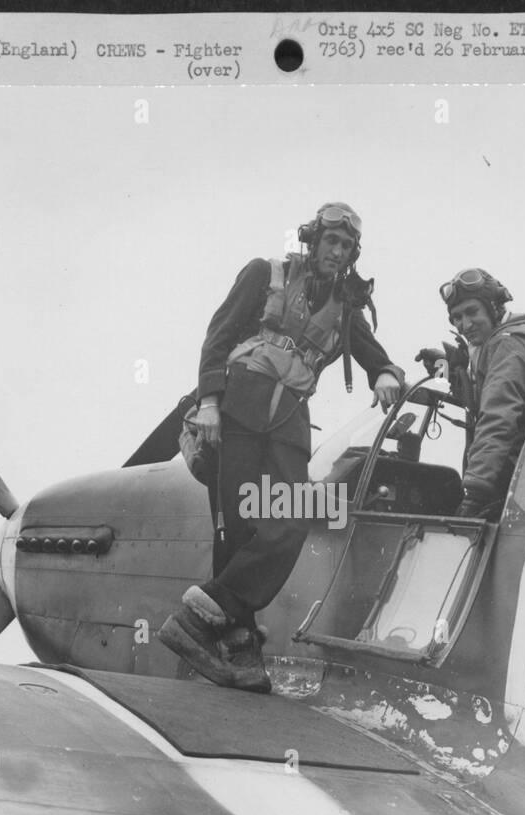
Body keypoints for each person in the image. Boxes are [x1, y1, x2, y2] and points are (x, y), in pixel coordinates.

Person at [160, 203, 405, 690]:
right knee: (235, 528)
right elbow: (219, 335)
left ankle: (199, 617)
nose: (337, 253)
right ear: (313, 242)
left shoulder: (346, 307)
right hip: (239, 406)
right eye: (331, 242)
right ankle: (239, 645)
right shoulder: (264, 274)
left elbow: (377, 357)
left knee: (292, 518)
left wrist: (384, 373)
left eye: (346, 247)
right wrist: (209, 404)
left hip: (291, 419)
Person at [416, 268, 525, 519]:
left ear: (494, 307)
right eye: (456, 317)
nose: (465, 324)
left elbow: (497, 417)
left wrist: (474, 492)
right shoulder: (505, 343)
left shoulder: (509, 345)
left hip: (524, 484)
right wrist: (452, 372)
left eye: (472, 312)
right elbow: (488, 395)